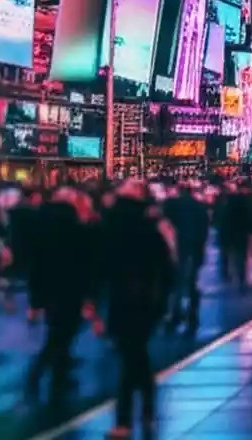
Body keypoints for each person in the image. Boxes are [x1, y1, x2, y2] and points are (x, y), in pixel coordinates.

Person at [100, 181, 175, 438]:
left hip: (122, 301)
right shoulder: (152, 232)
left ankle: (126, 418)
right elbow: (167, 271)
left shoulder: (110, 229)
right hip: (146, 303)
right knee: (136, 357)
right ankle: (145, 409)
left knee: (131, 358)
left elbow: (102, 268)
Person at [26, 187, 97, 402]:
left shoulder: (42, 225)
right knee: (62, 335)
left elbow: (36, 265)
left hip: (50, 289)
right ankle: (43, 375)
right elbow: (85, 265)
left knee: (57, 333)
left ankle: (51, 375)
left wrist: (35, 300)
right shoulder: (77, 229)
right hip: (70, 290)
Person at [163, 185, 211, 331]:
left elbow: (165, 226)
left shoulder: (171, 205)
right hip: (195, 247)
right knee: (192, 282)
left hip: (177, 247)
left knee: (176, 282)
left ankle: (175, 314)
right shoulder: (200, 207)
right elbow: (205, 229)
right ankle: (192, 314)